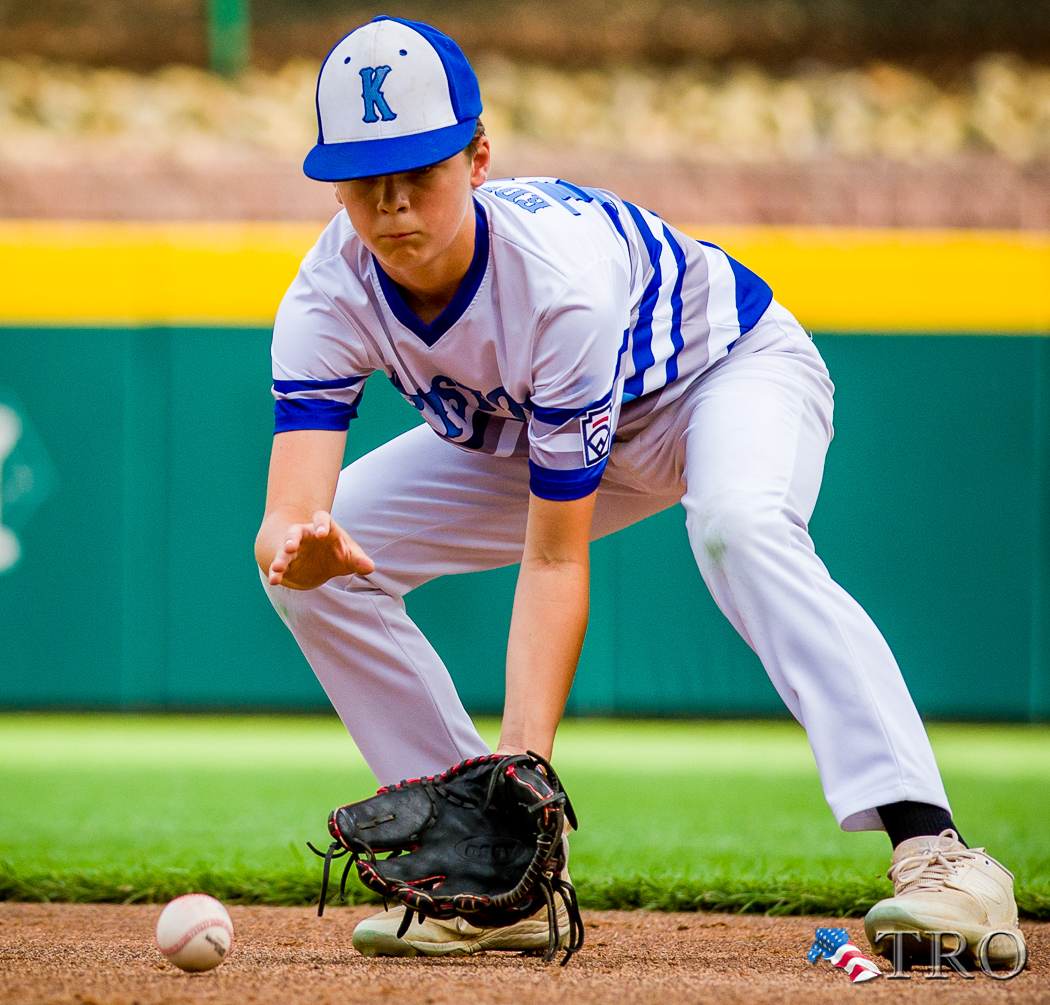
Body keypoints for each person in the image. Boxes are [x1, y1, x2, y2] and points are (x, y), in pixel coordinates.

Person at [255, 15, 1026, 967]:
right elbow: (285, 521)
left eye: (420, 168)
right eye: (364, 176)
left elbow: (554, 557)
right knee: (317, 579)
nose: (393, 201)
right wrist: (301, 547)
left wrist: (527, 760)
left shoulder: (555, 283)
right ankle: (485, 873)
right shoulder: (327, 294)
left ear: (479, 157)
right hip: (536, 425)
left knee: (739, 525)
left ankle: (941, 851)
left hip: (720, 377)